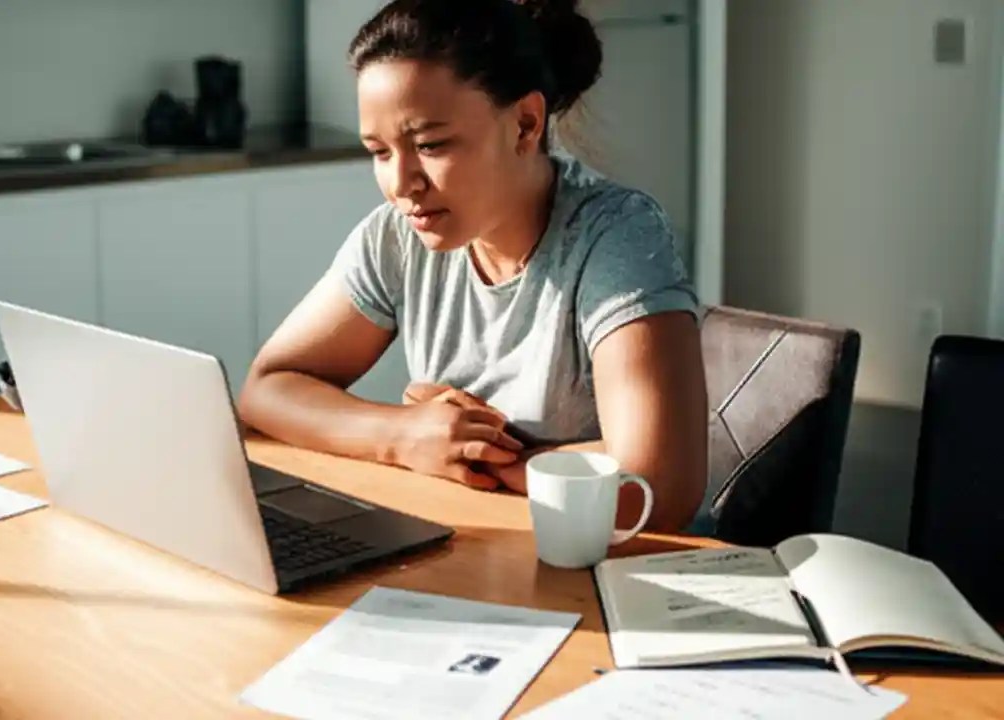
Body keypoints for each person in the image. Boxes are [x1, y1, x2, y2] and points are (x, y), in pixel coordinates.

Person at [238, 0, 708, 532]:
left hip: (614, 568)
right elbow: (268, 388)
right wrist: (407, 435)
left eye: (430, 145)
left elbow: (655, 487)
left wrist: (478, 450)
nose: (401, 185)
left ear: (525, 124)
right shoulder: (398, 236)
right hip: (484, 543)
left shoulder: (614, 235)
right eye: (380, 151)